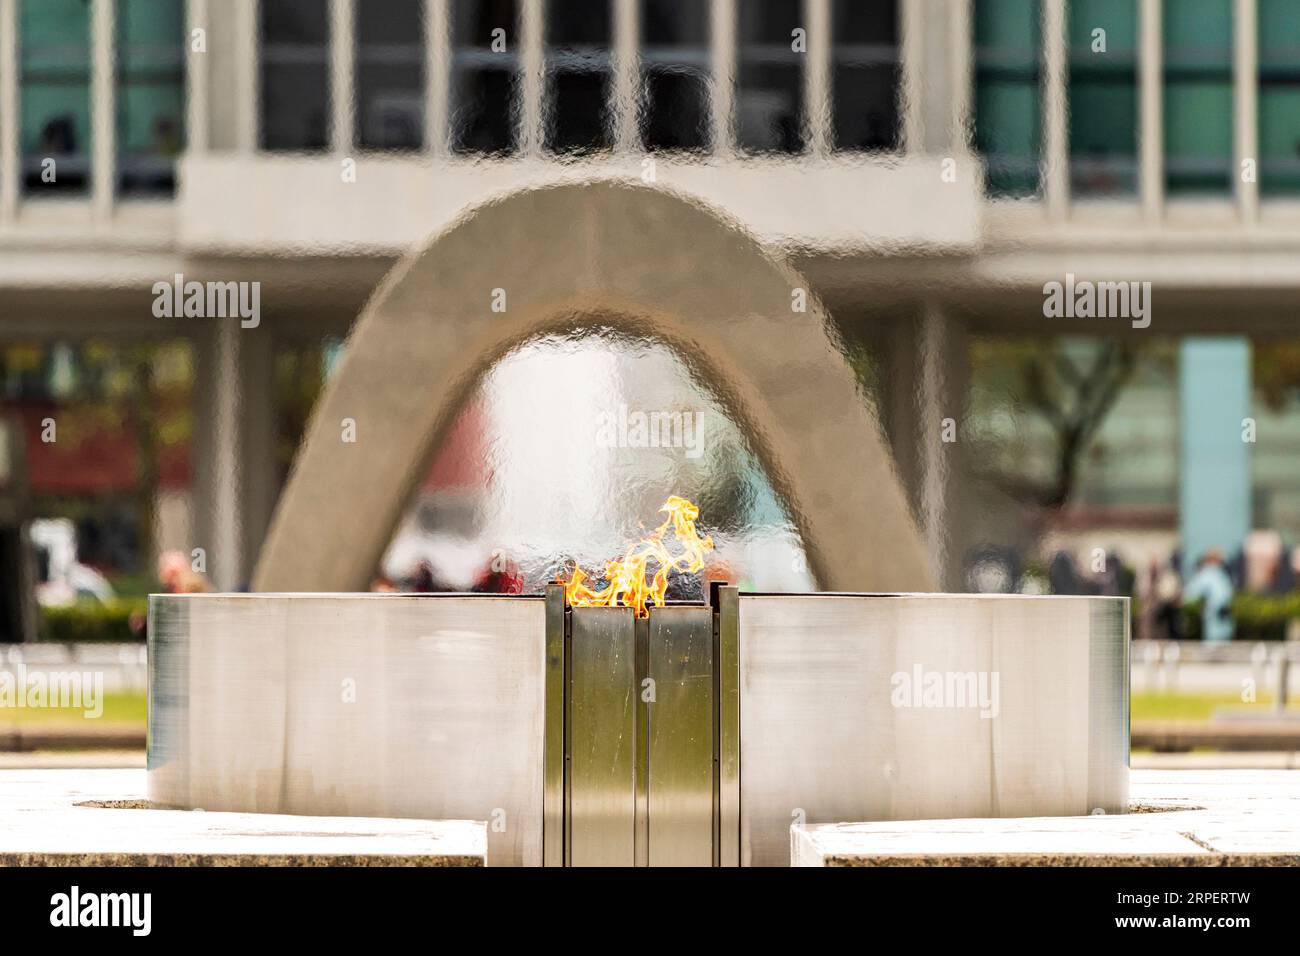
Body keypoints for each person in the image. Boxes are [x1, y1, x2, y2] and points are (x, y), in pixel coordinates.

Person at [1182, 549, 1234, 643]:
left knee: (1211, 649)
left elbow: (1191, 593)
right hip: (1226, 618)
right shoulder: (1223, 574)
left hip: (1214, 619)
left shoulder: (1207, 574)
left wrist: (1180, 600)